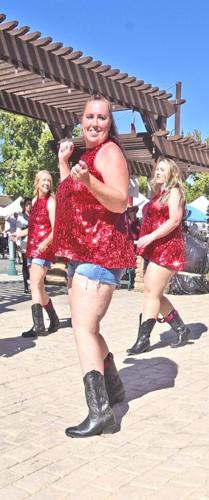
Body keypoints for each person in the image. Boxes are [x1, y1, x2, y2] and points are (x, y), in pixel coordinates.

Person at [52, 94, 135, 437]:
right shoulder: (86, 156)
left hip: (101, 253)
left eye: (102, 117)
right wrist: (64, 165)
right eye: (90, 116)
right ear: (81, 120)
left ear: (109, 123)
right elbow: (69, 197)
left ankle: (100, 413)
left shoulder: (110, 152)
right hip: (83, 253)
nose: (95, 123)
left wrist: (87, 180)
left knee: (83, 328)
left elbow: (120, 201)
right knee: (89, 329)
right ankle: (113, 388)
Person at [128, 158, 191, 353]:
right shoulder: (159, 195)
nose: (158, 172)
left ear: (172, 173)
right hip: (156, 248)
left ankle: (143, 340)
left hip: (168, 247)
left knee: (151, 293)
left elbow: (174, 221)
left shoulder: (174, 192)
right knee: (153, 293)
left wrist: (150, 237)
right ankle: (181, 329)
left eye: (163, 170)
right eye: (157, 169)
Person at [21, 171, 61, 338]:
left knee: (34, 285)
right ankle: (54, 318)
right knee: (39, 287)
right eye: (43, 180)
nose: (46, 183)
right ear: (36, 183)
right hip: (32, 248)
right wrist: (19, 234)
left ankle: (38, 325)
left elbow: (56, 228)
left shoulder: (51, 202)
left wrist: (44, 244)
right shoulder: (36, 202)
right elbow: (33, 228)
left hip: (43, 249)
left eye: (49, 180)